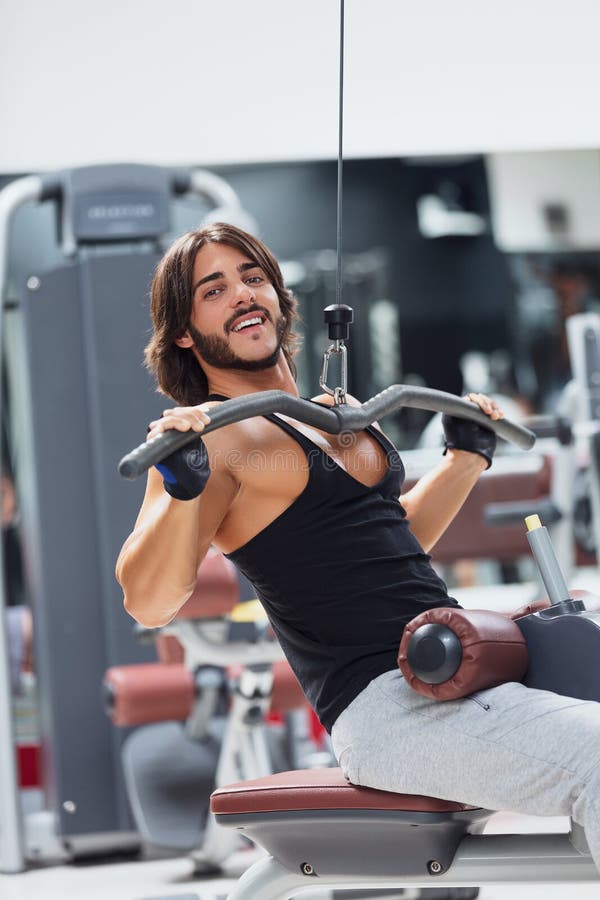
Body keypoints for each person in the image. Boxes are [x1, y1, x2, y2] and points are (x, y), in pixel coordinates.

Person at [117, 223, 600, 871]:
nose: (242, 293)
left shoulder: (332, 414)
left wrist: (463, 458)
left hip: (462, 670)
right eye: (215, 289)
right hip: (391, 713)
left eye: (253, 276)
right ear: (183, 331)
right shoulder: (217, 440)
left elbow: (395, 539)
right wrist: (180, 489)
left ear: (280, 295)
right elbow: (148, 603)